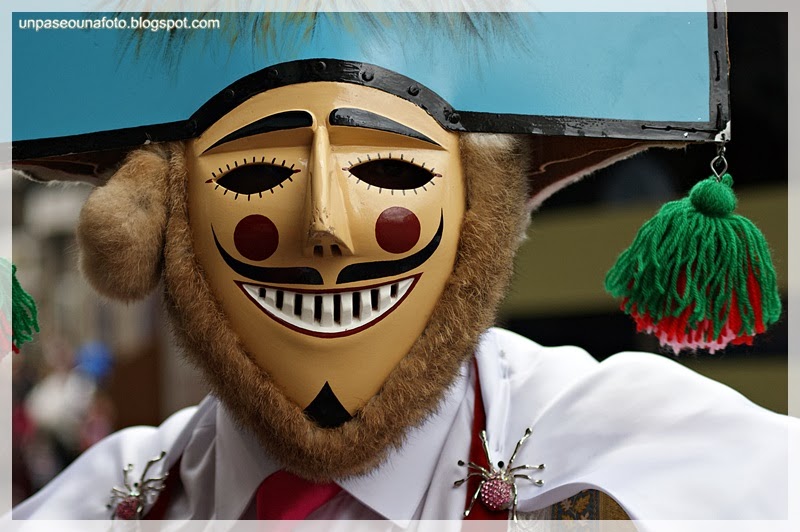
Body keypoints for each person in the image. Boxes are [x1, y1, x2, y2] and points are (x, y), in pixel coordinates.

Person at [7, 9, 797, 526]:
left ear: (480, 210)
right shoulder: (88, 507)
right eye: (256, 175)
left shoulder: (660, 457)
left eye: (388, 170)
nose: (326, 228)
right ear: (154, 221)